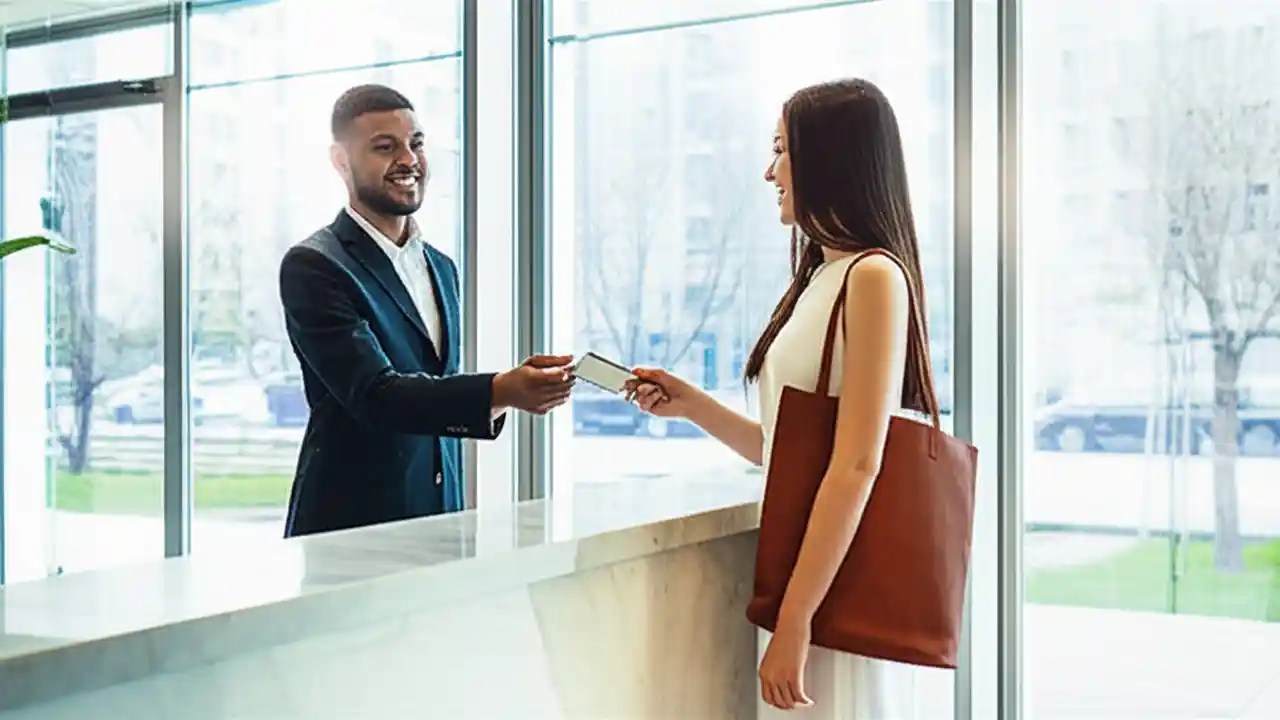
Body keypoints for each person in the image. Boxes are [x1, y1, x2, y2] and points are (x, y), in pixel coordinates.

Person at [627, 78, 933, 718]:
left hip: (827, 594)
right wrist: (692, 405)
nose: (771, 173)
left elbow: (855, 466)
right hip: (802, 581)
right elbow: (792, 454)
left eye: (781, 151)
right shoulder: (825, 275)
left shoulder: (872, 276)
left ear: (831, 158)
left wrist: (796, 623)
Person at [278, 84, 574, 538]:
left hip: (441, 523)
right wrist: (500, 390)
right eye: (385, 147)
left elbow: (434, 389)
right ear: (341, 161)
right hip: (352, 530)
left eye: (416, 144)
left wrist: (505, 390)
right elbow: (374, 394)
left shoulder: (442, 268)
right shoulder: (314, 266)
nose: (409, 160)